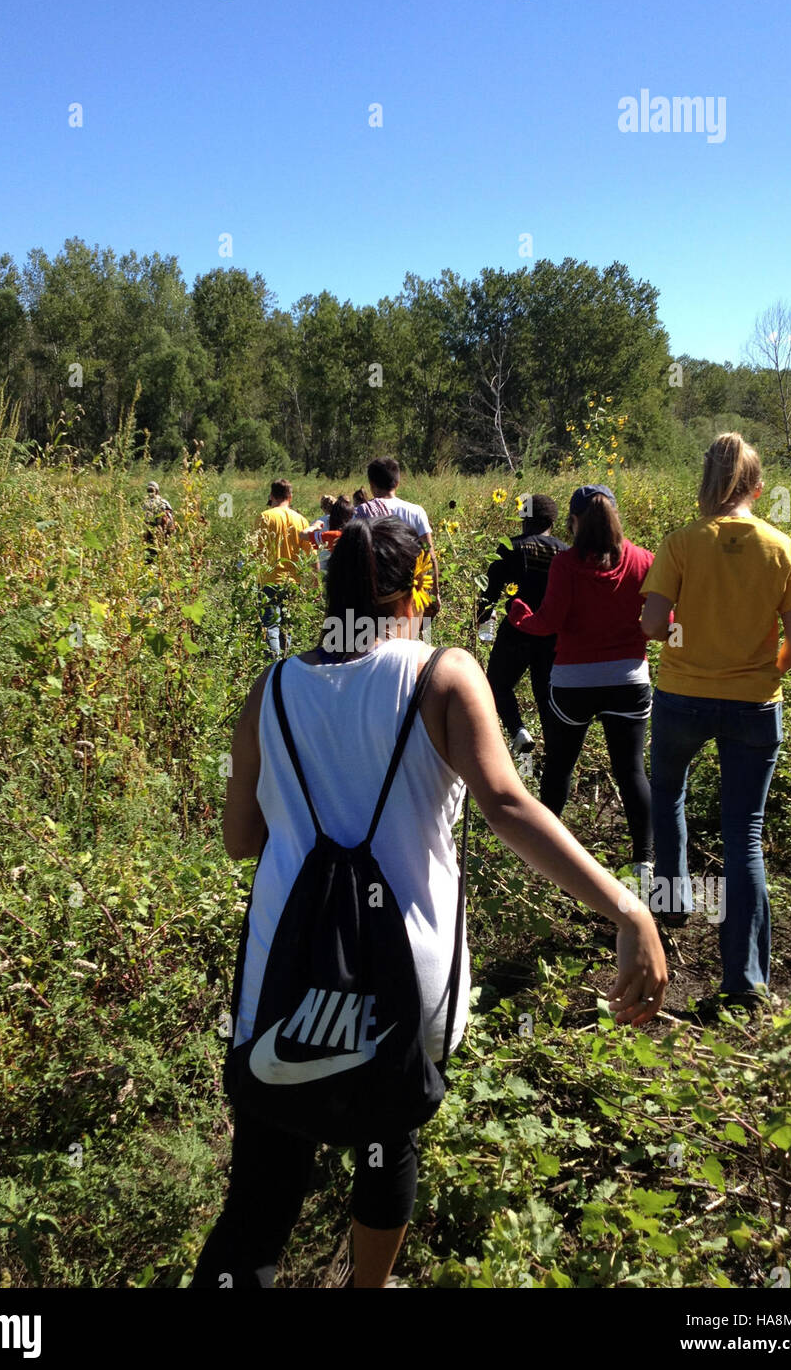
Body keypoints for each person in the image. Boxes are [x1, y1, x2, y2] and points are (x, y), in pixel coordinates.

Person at [191, 515, 667, 1289]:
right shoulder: (442, 674)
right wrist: (627, 908)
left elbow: (240, 839)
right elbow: (507, 806)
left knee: (260, 1186)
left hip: (284, 963)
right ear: (417, 588)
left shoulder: (271, 689)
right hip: (404, 973)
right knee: (386, 1144)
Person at [639, 433, 791, 1012]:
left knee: (668, 794)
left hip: (681, 697)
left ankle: (670, 901)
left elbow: (654, 625)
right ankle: (744, 982)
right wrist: (759, 672)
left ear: (706, 484)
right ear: (756, 487)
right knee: (745, 833)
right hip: (755, 706)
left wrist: (689, 644)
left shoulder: (682, 543)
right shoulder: (783, 548)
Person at [508, 486, 655, 880]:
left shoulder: (567, 564)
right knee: (632, 770)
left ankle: (546, 854)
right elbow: (664, 624)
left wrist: (519, 613)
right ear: (615, 516)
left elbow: (548, 624)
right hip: (629, 681)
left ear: (573, 522)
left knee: (559, 766)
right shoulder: (645, 561)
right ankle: (645, 859)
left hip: (574, 684)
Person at [477, 493, 568, 757]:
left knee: (496, 684)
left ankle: (518, 732)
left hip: (517, 630)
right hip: (552, 636)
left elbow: (489, 593)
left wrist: (483, 623)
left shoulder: (510, 546)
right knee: (545, 697)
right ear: (553, 519)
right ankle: (554, 756)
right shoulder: (566, 552)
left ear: (523, 517)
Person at [352, 458, 440, 617]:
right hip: (410, 593)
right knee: (414, 638)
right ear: (397, 483)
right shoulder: (416, 512)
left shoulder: (362, 513)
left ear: (371, 484)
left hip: (376, 595)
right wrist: (435, 593)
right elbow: (429, 553)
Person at [254, 479, 311, 659]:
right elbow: (310, 554)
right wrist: (314, 582)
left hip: (268, 580)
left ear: (271, 496)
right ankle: (285, 664)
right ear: (290, 497)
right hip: (293, 582)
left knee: (270, 626)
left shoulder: (265, 517)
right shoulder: (301, 520)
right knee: (287, 627)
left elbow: (255, 550)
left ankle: (274, 664)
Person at [299, 493, 353, 584]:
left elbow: (303, 535)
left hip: (327, 568)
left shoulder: (332, 534)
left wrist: (315, 526)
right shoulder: (357, 531)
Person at [143, 481, 174, 561]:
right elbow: (171, 514)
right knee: (165, 550)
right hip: (165, 530)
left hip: (152, 530)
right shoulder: (164, 502)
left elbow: (145, 519)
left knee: (150, 552)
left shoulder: (146, 503)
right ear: (157, 491)